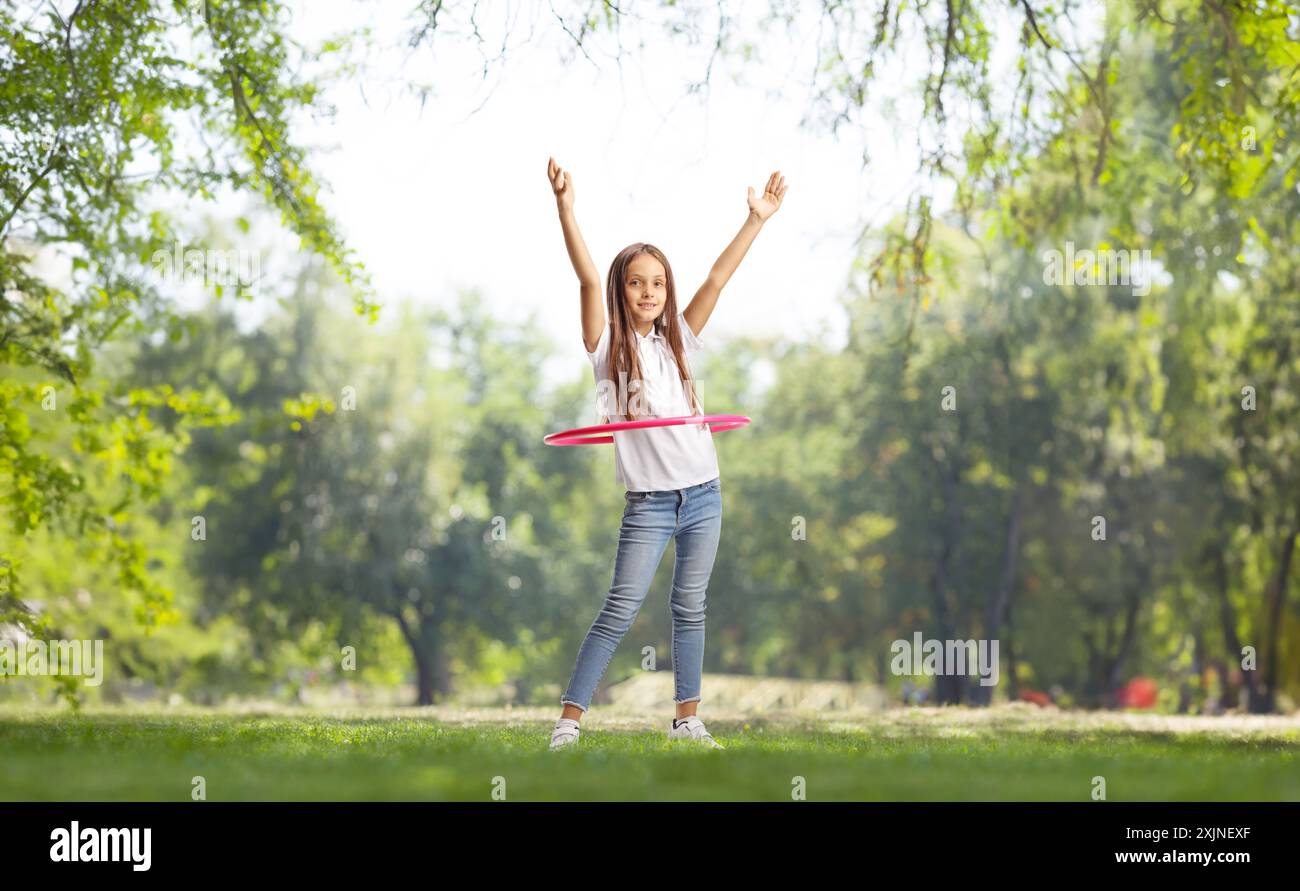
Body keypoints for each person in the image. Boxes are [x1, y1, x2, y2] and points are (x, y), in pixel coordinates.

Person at [544, 156, 788, 750]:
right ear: (620, 290)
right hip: (650, 503)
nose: (648, 292)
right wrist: (566, 208)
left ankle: (686, 720)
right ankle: (568, 724)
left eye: (657, 283)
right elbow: (583, 278)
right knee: (619, 610)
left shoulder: (678, 341)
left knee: (690, 606)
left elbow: (716, 280)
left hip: (704, 492)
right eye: (635, 282)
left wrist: (755, 221)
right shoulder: (605, 349)